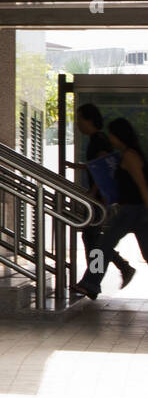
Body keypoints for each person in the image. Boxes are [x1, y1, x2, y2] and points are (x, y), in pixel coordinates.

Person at [75, 118, 148, 299]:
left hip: (134, 211)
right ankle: (90, 283)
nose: (110, 138)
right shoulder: (124, 154)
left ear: (119, 136)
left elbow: (142, 185)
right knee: (102, 247)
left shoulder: (131, 156)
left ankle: (90, 283)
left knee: (102, 247)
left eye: (112, 134)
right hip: (129, 211)